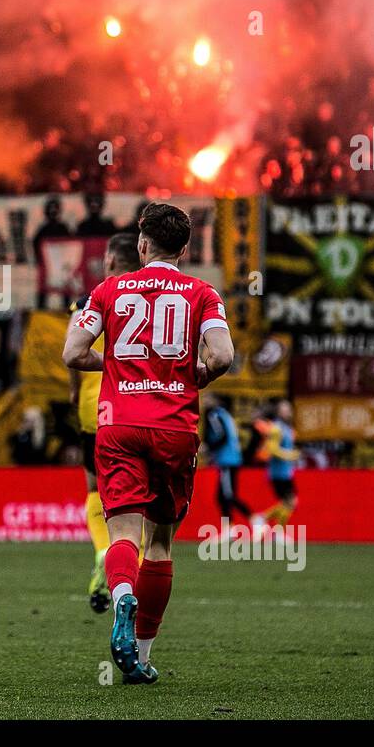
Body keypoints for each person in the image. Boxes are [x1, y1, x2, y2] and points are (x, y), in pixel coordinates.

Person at [63, 202, 234, 685]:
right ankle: (139, 655)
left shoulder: (108, 290)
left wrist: (115, 365)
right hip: (175, 428)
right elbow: (222, 354)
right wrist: (196, 372)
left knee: (123, 537)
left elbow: (72, 353)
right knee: (159, 544)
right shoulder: (202, 293)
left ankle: (121, 597)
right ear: (184, 249)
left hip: (118, 427)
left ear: (142, 244)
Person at [68, 231, 140, 613]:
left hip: (93, 408)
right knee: (136, 496)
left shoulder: (90, 299)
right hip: (137, 404)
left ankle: (103, 553)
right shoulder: (154, 297)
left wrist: (73, 391)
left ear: (111, 260)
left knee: (96, 489)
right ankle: (130, 569)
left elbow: (72, 352)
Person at [202, 393, 251, 530]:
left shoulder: (214, 415)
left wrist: (208, 447)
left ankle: (255, 519)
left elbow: (221, 435)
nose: (204, 401)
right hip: (232, 458)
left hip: (227, 459)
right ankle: (229, 529)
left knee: (228, 495)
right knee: (221, 497)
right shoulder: (225, 414)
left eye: (207, 398)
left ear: (214, 400)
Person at [254, 401, 301, 534]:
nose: (288, 412)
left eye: (289, 409)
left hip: (285, 472)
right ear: (279, 412)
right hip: (278, 472)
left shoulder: (286, 428)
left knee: (289, 503)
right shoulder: (276, 428)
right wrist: (289, 455)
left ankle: (266, 522)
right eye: (285, 409)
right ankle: (266, 521)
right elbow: (272, 449)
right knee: (290, 502)